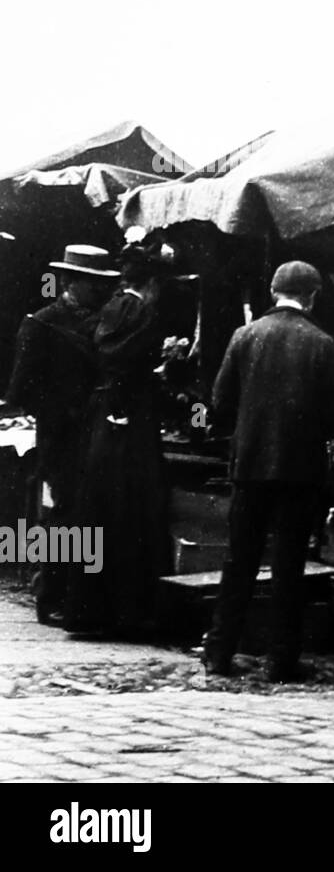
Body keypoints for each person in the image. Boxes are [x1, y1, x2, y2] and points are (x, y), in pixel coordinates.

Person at [202, 261, 334, 680]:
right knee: (289, 566)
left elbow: (220, 402)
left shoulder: (244, 337)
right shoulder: (322, 343)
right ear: (313, 295)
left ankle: (219, 651)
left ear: (272, 291)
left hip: (249, 467)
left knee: (239, 561)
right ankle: (281, 660)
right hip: (300, 471)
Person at [0, 245, 118, 624]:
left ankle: (74, 595)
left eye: (104, 285)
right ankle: (48, 594)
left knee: (84, 513)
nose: (100, 292)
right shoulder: (42, 324)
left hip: (94, 434)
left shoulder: (106, 324)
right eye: (92, 284)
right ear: (70, 282)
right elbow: (21, 390)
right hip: (59, 436)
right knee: (59, 513)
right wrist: (61, 410)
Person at [63, 242, 173, 636]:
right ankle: (128, 610)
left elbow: (103, 351)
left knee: (99, 508)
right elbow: (126, 360)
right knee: (130, 511)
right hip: (128, 419)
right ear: (153, 284)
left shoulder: (111, 309)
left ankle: (89, 607)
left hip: (105, 417)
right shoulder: (141, 311)